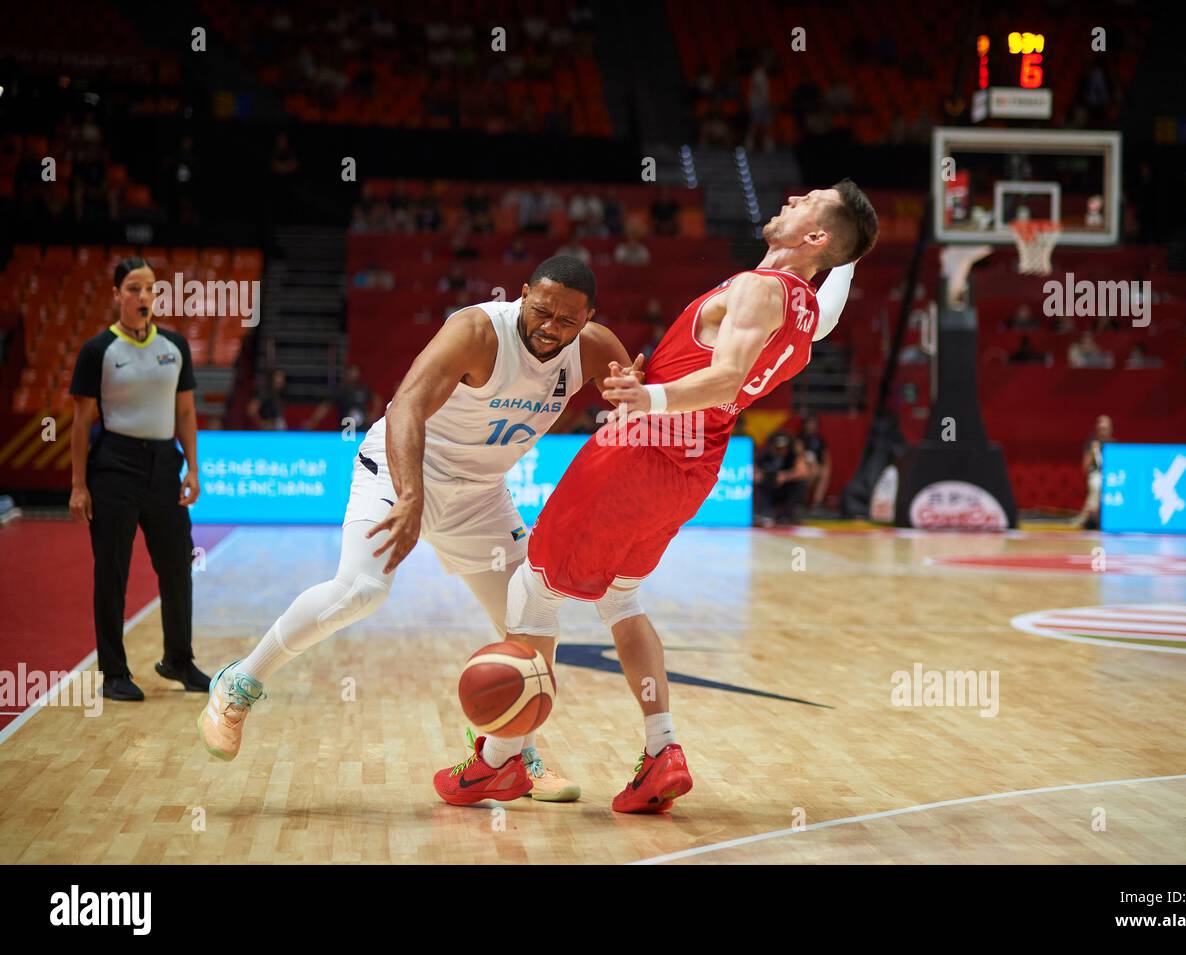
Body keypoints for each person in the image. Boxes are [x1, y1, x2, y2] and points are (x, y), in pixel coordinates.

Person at [432, 181, 877, 812]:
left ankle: (497, 762)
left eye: (807, 201)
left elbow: (724, 376)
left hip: (640, 451)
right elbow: (816, 315)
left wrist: (651, 398)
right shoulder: (804, 311)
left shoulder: (759, 288)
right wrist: (850, 257)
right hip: (694, 470)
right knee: (621, 596)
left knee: (532, 591)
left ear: (815, 239)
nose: (791, 199)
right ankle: (661, 750)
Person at [197, 257, 641, 805]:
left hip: (480, 497)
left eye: (566, 321)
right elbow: (406, 404)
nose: (550, 327)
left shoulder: (596, 347)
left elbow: (636, 410)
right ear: (523, 294)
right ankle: (237, 684)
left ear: (589, 317)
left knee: (531, 616)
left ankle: (509, 753)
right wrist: (410, 496)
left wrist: (632, 402)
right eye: (541, 310)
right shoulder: (478, 332)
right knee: (361, 590)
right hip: (401, 470)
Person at [68, 257, 209, 701]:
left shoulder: (175, 346)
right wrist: (78, 485)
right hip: (115, 464)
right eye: (133, 288)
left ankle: (178, 660)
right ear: (116, 295)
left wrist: (193, 467)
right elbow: (79, 422)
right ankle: (113, 672)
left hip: (165, 465)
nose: (143, 296)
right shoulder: (97, 351)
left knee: (177, 563)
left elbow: (185, 410)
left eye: (149, 288)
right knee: (112, 570)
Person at [303, 363, 384, 432]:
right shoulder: (340, 390)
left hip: (363, 428)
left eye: (355, 371)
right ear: (346, 373)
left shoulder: (363, 388)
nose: (353, 374)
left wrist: (374, 414)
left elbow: (377, 399)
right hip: (346, 429)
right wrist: (313, 421)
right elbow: (325, 407)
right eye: (351, 371)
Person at [755, 431, 809, 526]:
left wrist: (785, 476)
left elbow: (803, 471)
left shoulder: (793, 456)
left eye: (784, 448)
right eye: (777, 448)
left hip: (786, 490)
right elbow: (754, 473)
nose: (781, 450)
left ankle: (790, 513)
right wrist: (765, 476)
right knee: (758, 483)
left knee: (800, 482)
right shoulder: (764, 456)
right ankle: (764, 513)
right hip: (770, 490)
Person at [1078, 415, 1113, 529]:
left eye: (1105, 429)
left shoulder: (1114, 445)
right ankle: (1092, 516)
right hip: (1096, 475)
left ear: (1110, 429)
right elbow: (1085, 468)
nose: (1103, 431)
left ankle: (1086, 516)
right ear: (1097, 429)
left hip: (1113, 477)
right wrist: (1093, 453)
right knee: (1097, 483)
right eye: (1101, 428)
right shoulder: (1091, 445)